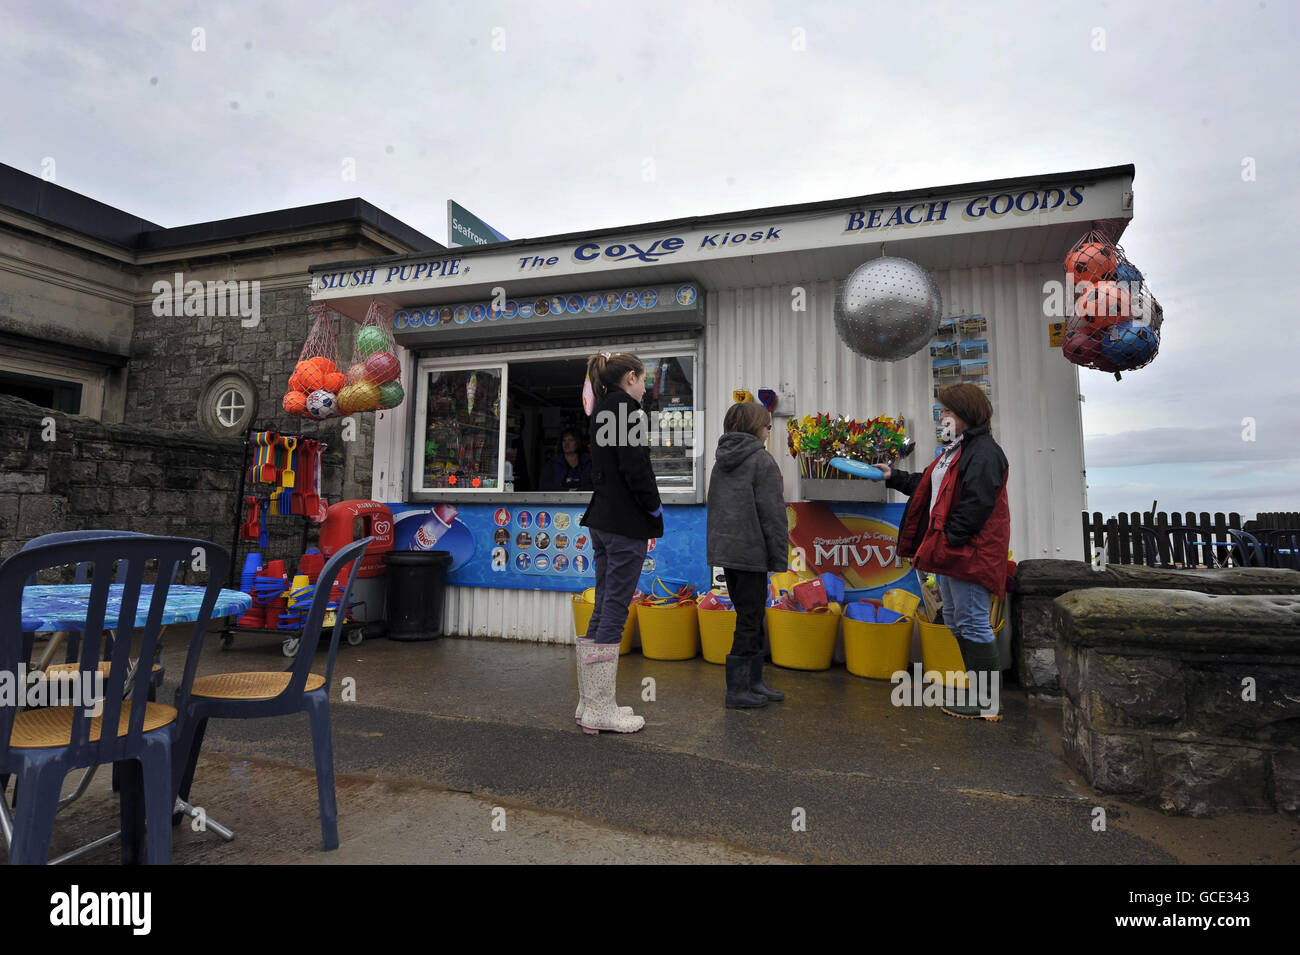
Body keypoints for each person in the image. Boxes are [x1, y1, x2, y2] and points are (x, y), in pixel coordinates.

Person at [877, 383, 1010, 720]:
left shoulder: (983, 453)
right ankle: (979, 694)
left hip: (968, 552)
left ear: (966, 413)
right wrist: (893, 476)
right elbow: (928, 484)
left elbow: (976, 505)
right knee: (956, 620)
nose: (943, 416)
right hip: (952, 551)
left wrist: (949, 539)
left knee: (973, 622)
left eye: (948, 411)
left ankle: (987, 702)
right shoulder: (958, 450)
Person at [575, 352, 663, 734]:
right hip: (625, 523)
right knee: (613, 609)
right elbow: (635, 467)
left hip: (602, 520)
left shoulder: (602, 407)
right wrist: (655, 508)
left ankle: (590, 703)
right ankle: (599, 709)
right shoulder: (625, 408)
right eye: (644, 380)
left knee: (603, 606)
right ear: (630, 377)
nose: (646, 388)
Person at [706, 401, 788, 709]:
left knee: (749, 616)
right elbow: (774, 515)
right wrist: (779, 556)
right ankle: (738, 690)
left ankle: (753, 682)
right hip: (751, 551)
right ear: (757, 428)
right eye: (768, 426)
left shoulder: (720, 461)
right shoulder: (761, 461)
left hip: (728, 552)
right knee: (751, 619)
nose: (769, 432)